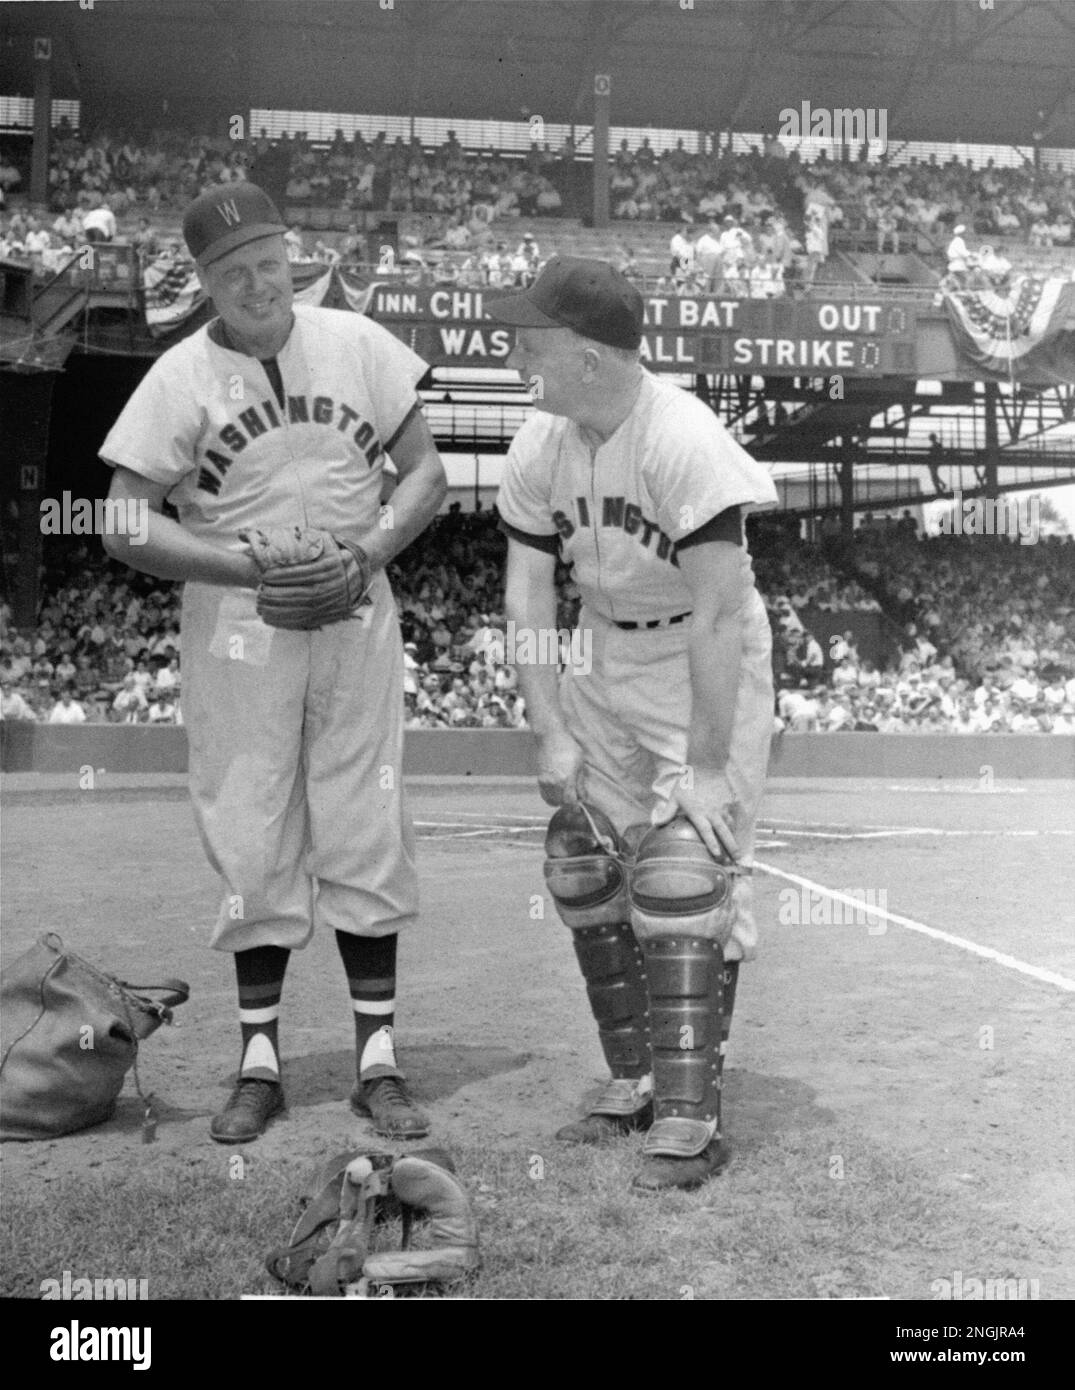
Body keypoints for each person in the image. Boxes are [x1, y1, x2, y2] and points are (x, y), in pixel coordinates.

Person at [98, 182, 447, 1145]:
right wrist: (239, 567)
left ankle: (378, 1062)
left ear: (290, 256)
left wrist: (367, 552)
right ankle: (260, 1064)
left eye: (267, 262)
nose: (257, 284)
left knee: (363, 816)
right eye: (232, 272)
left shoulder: (358, 342)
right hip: (238, 621)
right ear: (205, 283)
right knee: (252, 828)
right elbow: (122, 519)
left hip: (355, 604)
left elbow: (425, 474)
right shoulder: (178, 375)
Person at [488, 258, 777, 1192]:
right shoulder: (544, 437)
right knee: (583, 858)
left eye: (532, 339)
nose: (516, 351)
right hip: (602, 648)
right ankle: (637, 1074)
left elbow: (721, 613)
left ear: (586, 354)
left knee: (685, 867)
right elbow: (529, 586)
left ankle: (691, 1112)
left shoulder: (682, 437)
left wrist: (701, 764)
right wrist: (546, 726)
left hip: (701, 652)